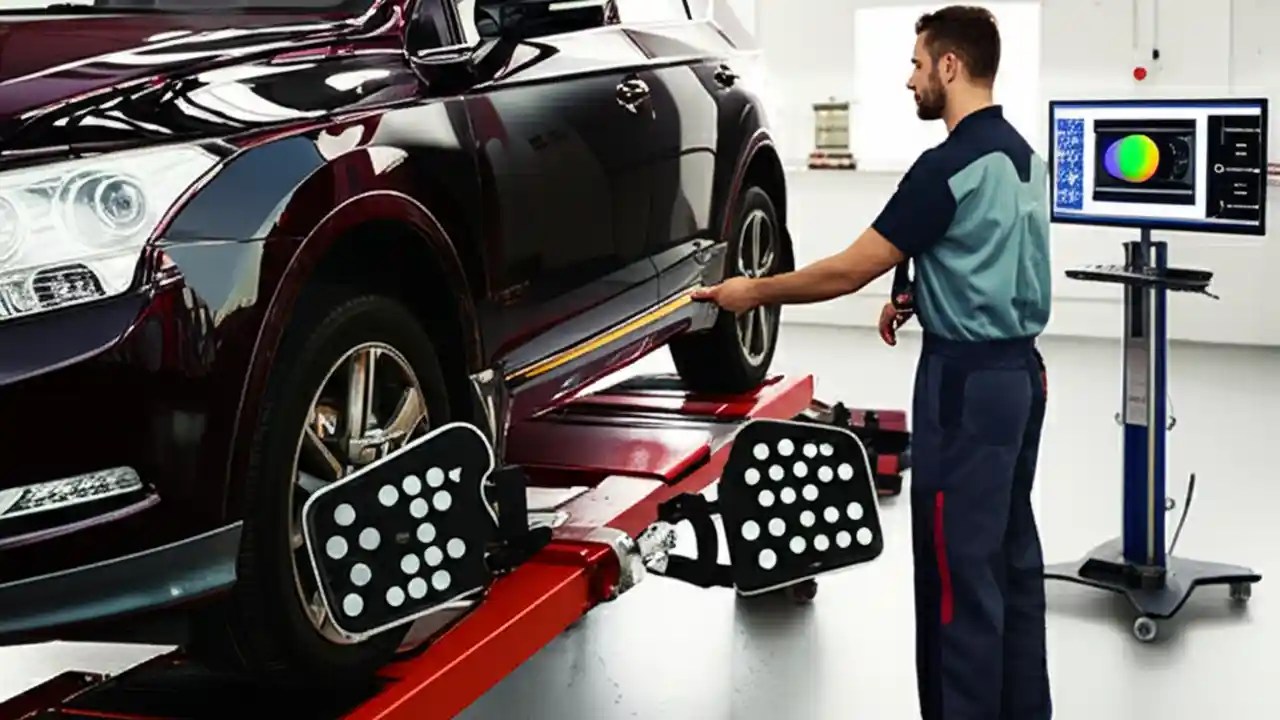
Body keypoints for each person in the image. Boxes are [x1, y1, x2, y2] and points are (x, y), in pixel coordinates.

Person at [693, 5, 1053, 719]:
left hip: (964, 385)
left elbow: (845, 272)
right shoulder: (1024, 158)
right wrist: (917, 292)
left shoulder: (946, 166)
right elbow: (994, 257)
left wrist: (750, 291)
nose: (910, 80)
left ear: (950, 67)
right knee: (1010, 560)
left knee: (956, 574)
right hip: (1022, 378)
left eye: (918, 65)